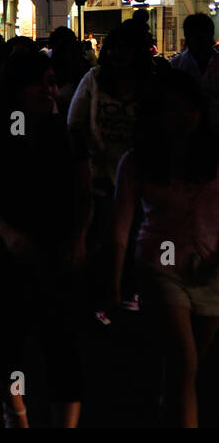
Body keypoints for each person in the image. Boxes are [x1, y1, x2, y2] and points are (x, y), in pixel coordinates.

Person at [0, 50, 90, 428]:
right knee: (8, 347)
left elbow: (85, 195)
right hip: (6, 257)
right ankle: (16, 414)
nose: (49, 91)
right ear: (15, 89)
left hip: (58, 252)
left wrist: (80, 236)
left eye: (52, 82)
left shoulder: (69, 136)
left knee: (65, 352)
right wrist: (8, 233)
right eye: (39, 82)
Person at [112, 70, 219, 427]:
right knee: (185, 361)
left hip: (211, 266)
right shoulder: (137, 161)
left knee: (186, 365)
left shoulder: (212, 157)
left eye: (189, 109)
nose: (182, 118)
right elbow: (120, 229)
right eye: (171, 110)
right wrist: (114, 281)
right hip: (159, 263)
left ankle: (165, 408)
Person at [68, 21, 155, 323]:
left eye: (127, 48)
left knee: (134, 240)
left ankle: (127, 295)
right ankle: (101, 298)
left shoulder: (150, 85)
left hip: (140, 178)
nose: (120, 54)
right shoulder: (94, 79)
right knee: (102, 237)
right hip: (100, 175)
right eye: (115, 47)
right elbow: (75, 124)